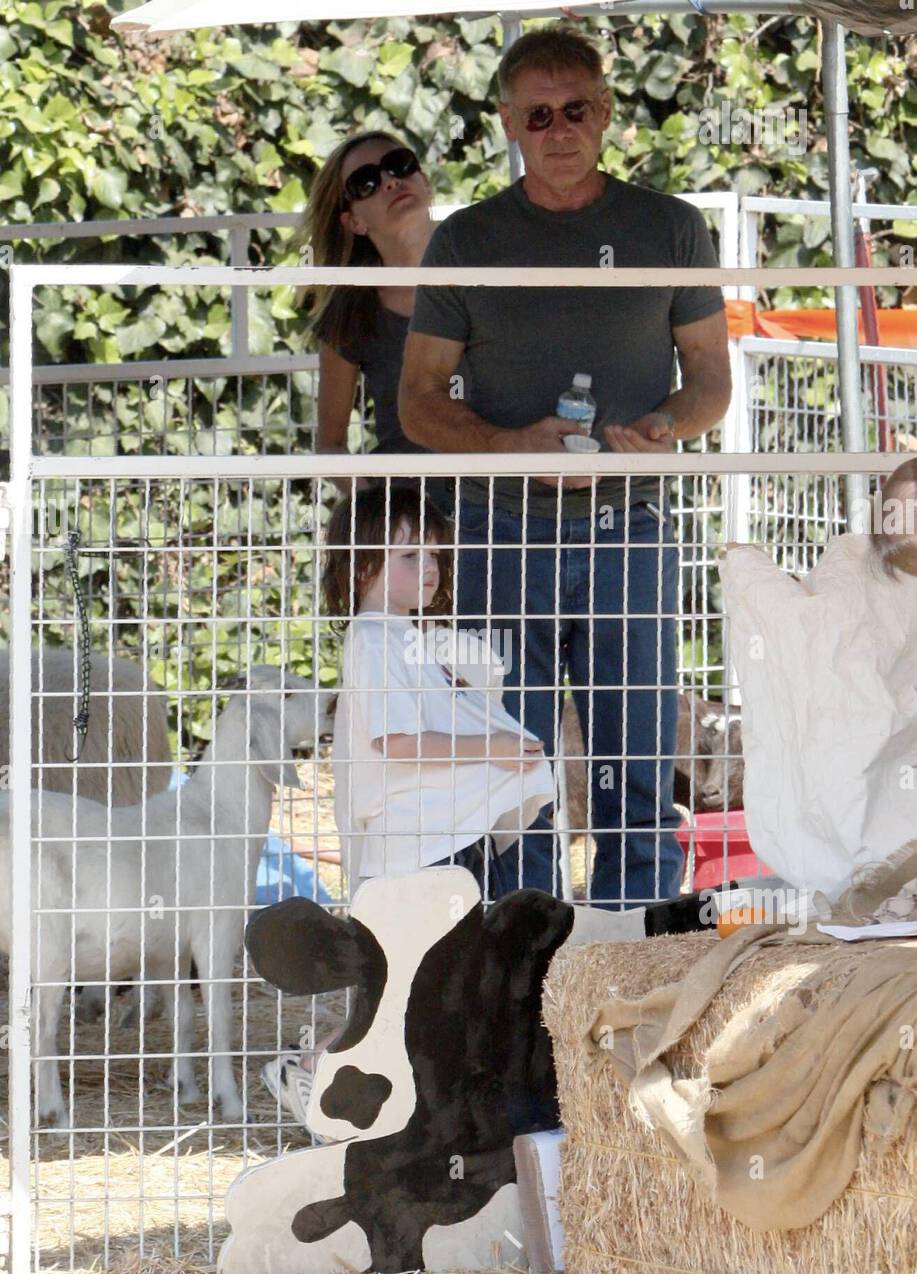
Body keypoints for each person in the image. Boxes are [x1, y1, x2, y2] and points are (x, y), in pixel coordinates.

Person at [398, 24, 733, 911]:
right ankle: (523, 974)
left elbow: (709, 381)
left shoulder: (671, 226)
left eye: (574, 109)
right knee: (510, 774)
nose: (557, 130)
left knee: (635, 766)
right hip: (497, 532)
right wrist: (515, 447)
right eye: (537, 114)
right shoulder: (466, 241)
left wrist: (663, 424)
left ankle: (635, 965)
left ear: (606, 111)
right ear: (508, 122)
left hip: (631, 525)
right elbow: (417, 401)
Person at [323, 481, 554, 900]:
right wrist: (490, 746)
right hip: (421, 850)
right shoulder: (374, 639)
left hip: (444, 838)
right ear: (362, 567)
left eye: (434, 554)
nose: (430, 567)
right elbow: (398, 742)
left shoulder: (405, 634)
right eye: (411, 555)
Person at [294, 129, 439, 469]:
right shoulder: (352, 312)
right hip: (409, 510)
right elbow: (330, 446)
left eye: (399, 165)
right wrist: (379, 512)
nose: (390, 181)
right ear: (353, 221)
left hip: (507, 503)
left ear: (426, 181)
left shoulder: (490, 267)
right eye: (365, 183)